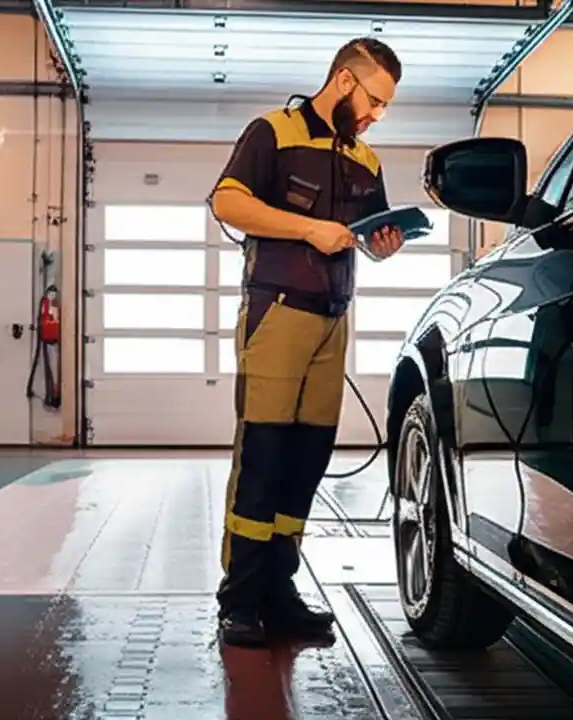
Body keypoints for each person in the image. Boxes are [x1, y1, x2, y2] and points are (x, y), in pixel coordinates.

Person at [207, 37, 406, 647]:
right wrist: (309, 230)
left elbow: (369, 231)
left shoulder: (366, 160)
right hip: (278, 312)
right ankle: (240, 599)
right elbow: (228, 201)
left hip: (333, 317)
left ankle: (280, 590)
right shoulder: (273, 132)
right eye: (374, 100)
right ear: (344, 80)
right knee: (264, 452)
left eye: (384, 107)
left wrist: (383, 242)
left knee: (307, 457)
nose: (376, 115)